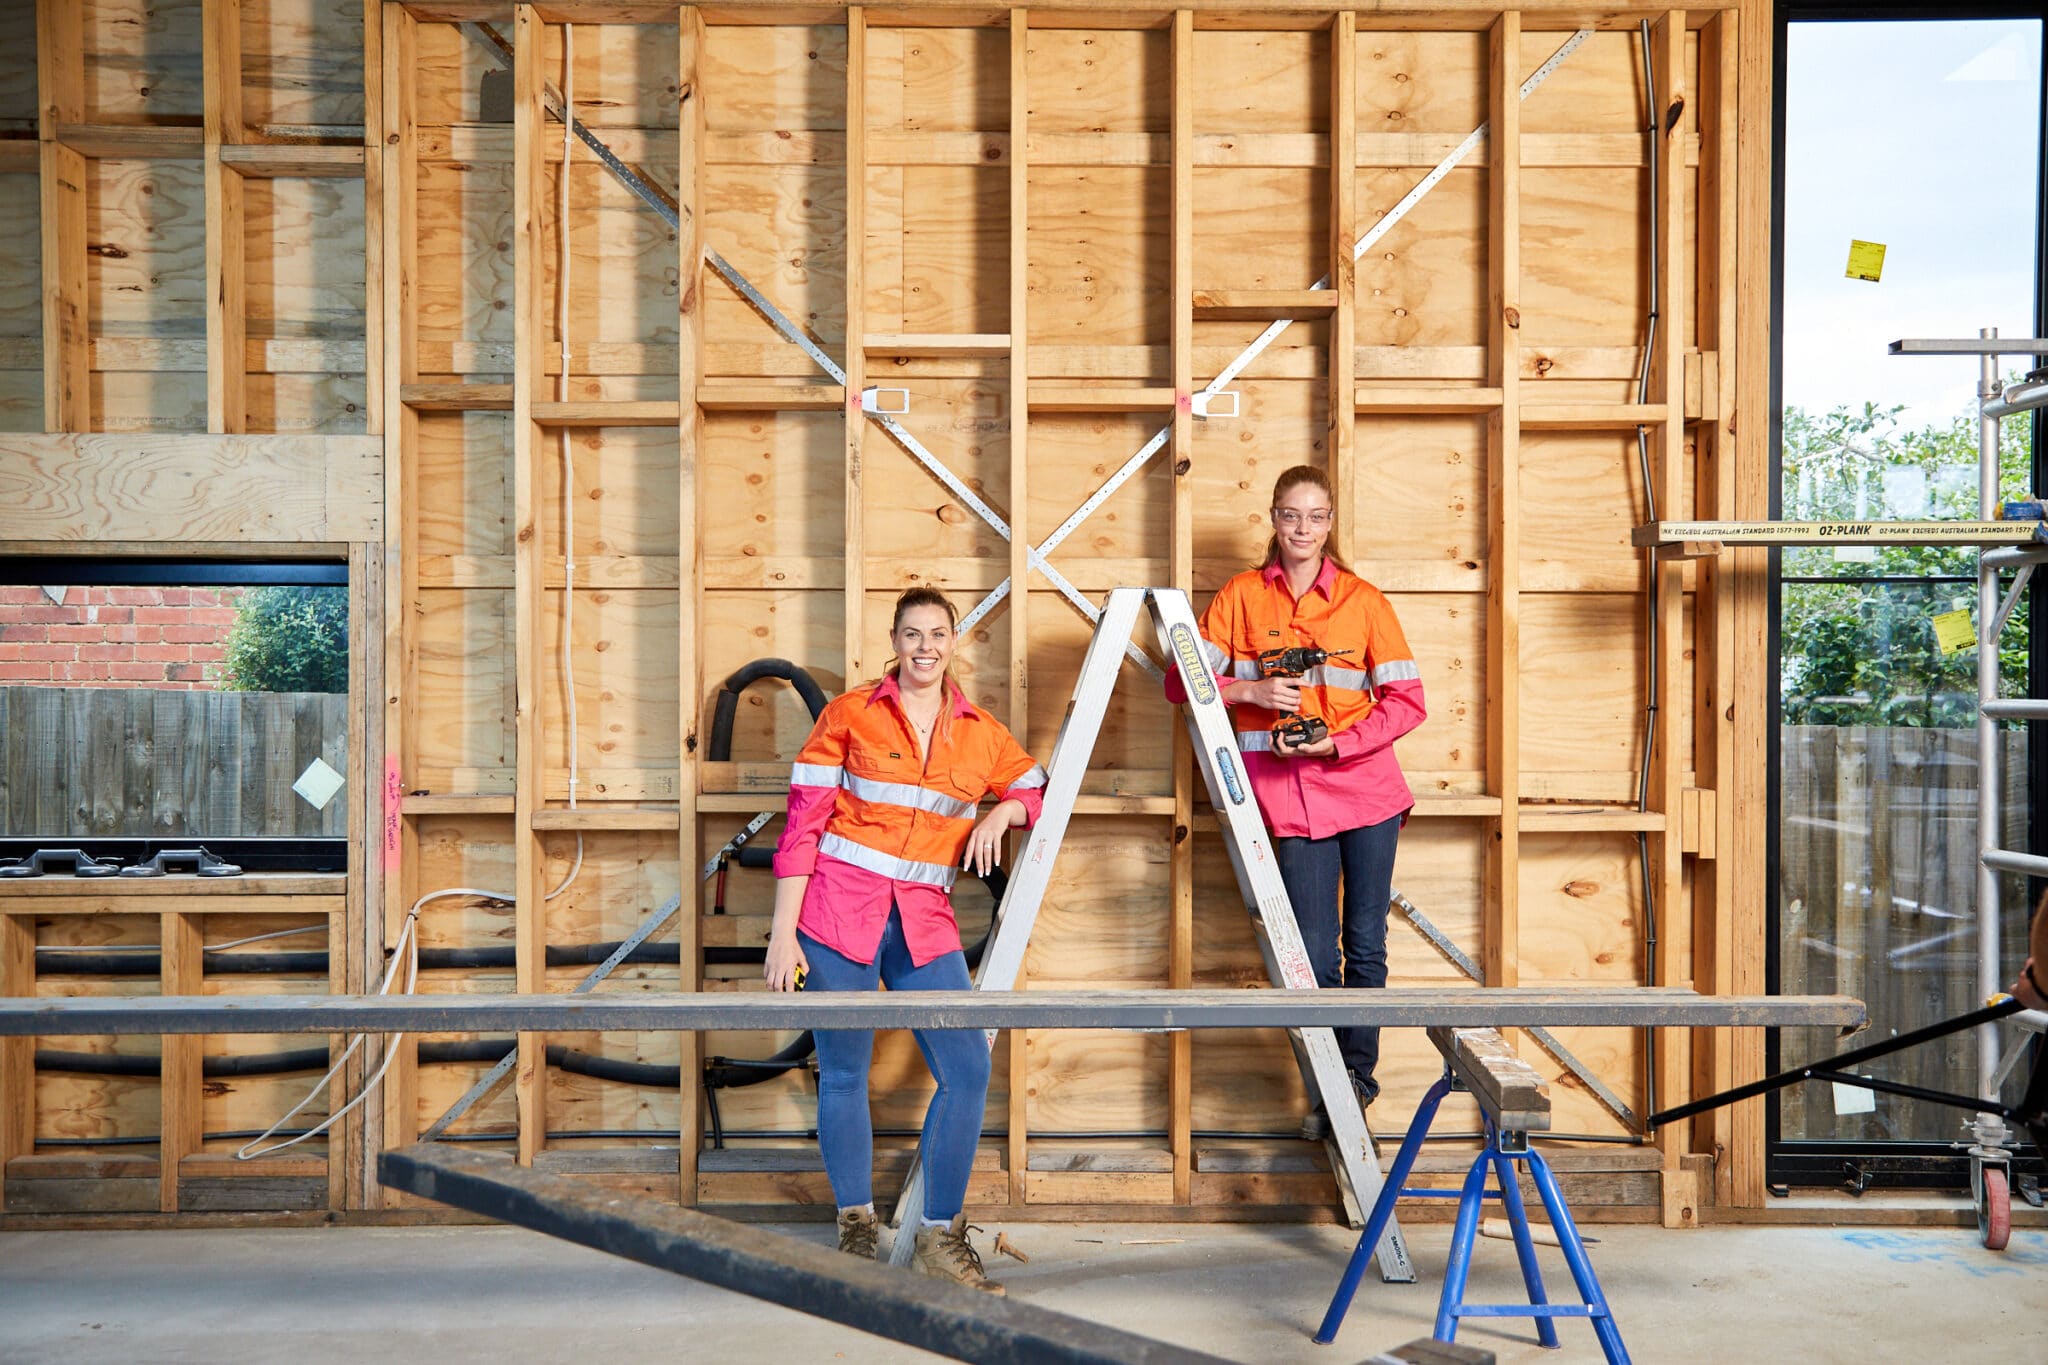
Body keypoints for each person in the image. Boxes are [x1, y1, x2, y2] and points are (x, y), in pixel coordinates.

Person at [766, 586, 1047, 1292]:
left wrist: (1003, 811)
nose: (925, 646)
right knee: (844, 1072)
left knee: (968, 1068)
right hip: (835, 917)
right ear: (894, 641)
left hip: (922, 921)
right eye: (912, 633)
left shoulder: (980, 730)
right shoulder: (848, 714)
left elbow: (1038, 785)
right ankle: (856, 1228)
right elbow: (802, 824)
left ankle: (938, 1237)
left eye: (938, 634)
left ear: (954, 643)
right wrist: (782, 933)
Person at [1166, 465, 1426, 1138]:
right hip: (1290, 798)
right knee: (1312, 953)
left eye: (1314, 516)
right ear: (1274, 520)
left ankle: (1356, 1085)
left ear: (1330, 522)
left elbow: (1408, 703)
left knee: (1366, 944)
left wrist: (1337, 744)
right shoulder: (1243, 597)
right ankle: (1330, 1085)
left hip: (1366, 791)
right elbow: (1178, 681)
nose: (1302, 528)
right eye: (1290, 515)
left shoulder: (1365, 602)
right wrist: (1246, 693)